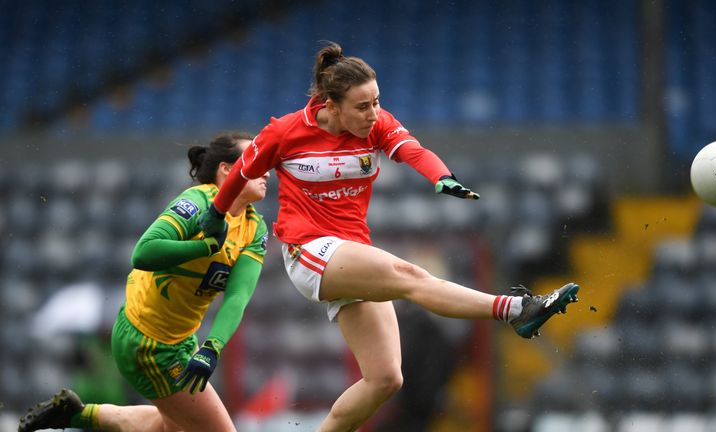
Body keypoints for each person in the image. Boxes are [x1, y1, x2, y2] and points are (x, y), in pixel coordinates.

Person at [197, 41, 580, 431]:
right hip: (308, 250)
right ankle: (518, 309)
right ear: (331, 106)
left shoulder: (376, 124)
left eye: (377, 102)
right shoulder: (285, 131)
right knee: (409, 276)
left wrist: (441, 176)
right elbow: (242, 171)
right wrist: (215, 215)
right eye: (363, 106)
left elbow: (414, 151)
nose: (374, 113)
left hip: (350, 252)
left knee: (385, 379)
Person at [19, 132, 271, 432]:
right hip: (148, 340)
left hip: (179, 340)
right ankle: (77, 417)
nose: (266, 170)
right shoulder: (197, 203)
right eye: (254, 160)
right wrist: (204, 247)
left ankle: (74, 414)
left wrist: (212, 347)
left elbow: (237, 297)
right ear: (227, 169)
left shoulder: (254, 227)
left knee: (170, 427)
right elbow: (143, 252)